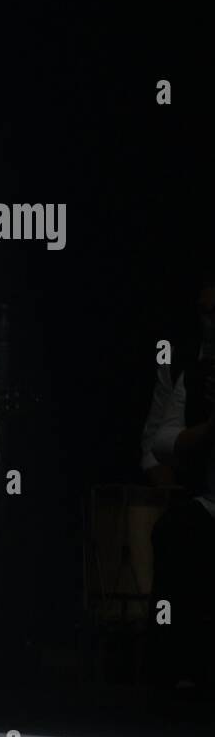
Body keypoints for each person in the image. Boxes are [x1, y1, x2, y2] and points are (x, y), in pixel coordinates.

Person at [148, 271, 215, 692]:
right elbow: (160, 440)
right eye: (207, 313)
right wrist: (208, 430)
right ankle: (178, 673)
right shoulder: (190, 372)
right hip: (211, 502)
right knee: (175, 530)